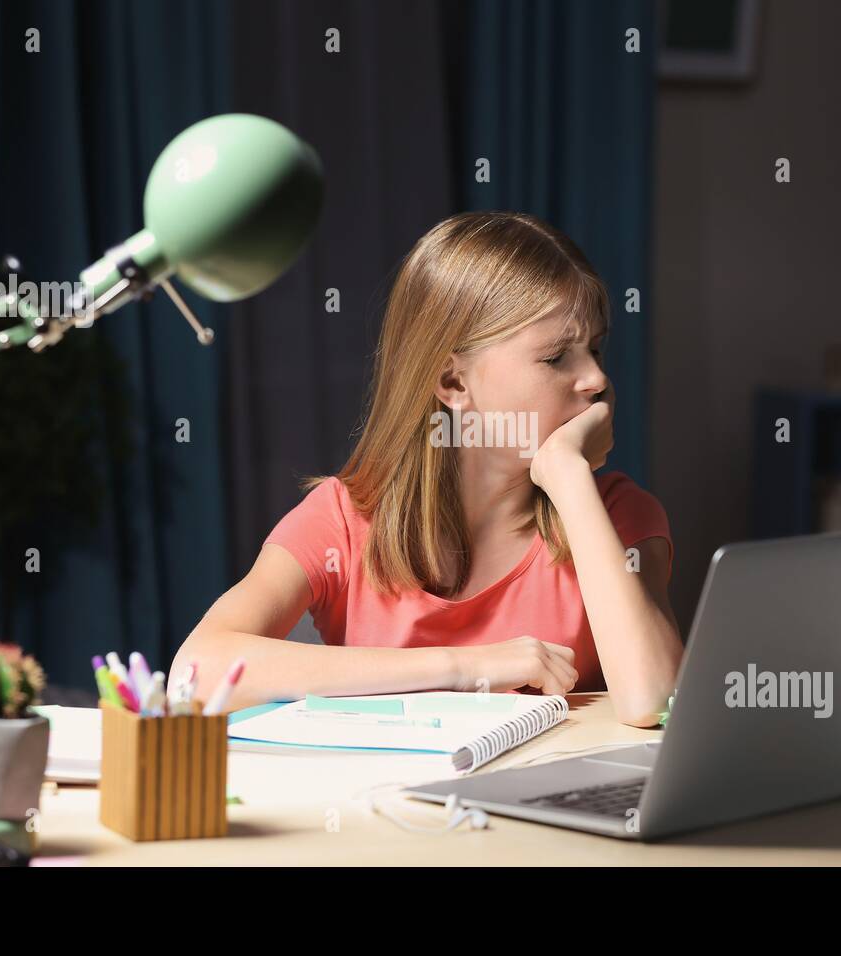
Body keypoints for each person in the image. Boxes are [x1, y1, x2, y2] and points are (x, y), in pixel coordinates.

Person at [173, 211, 681, 726]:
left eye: (595, 348)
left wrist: (569, 474)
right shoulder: (342, 520)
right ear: (454, 384)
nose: (596, 378)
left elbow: (653, 701)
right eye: (556, 358)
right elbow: (195, 671)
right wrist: (462, 666)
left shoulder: (616, 516)